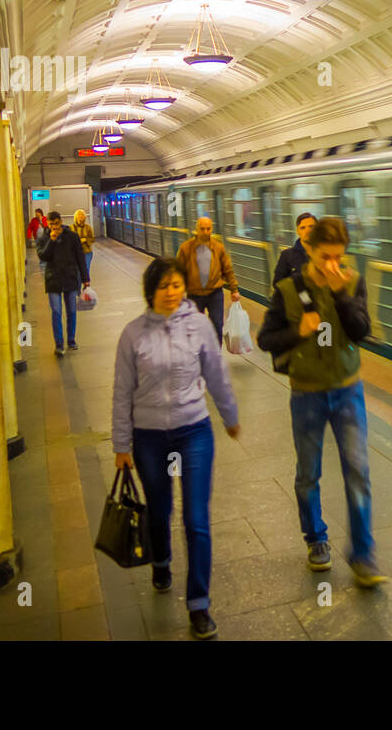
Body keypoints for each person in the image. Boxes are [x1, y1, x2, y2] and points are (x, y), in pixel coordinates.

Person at [112, 257, 241, 640]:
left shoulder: (199, 325)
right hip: (149, 436)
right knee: (160, 509)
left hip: (194, 431)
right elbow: (121, 393)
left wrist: (230, 415)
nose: (171, 293)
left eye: (177, 285)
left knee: (196, 519)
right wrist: (122, 444)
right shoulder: (132, 335)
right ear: (150, 291)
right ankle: (162, 561)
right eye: (164, 286)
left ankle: (199, 604)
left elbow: (216, 373)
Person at [256, 216, 385, 587]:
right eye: (325, 256)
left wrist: (343, 295)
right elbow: (266, 339)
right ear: (308, 250)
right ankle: (316, 539)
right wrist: (299, 330)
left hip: (347, 390)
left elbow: (361, 331)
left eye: (339, 257)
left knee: (358, 472)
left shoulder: (352, 282)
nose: (333, 265)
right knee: (308, 472)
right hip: (307, 392)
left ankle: (363, 555)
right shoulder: (288, 289)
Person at [175, 217, 240, 344]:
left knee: (217, 324)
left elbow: (227, 269)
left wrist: (234, 289)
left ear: (212, 229)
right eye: (202, 229)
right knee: (195, 327)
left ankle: (215, 355)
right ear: (197, 229)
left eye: (208, 229)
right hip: (194, 294)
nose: (205, 232)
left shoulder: (218, 248)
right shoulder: (186, 248)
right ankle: (197, 354)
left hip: (215, 293)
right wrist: (178, 292)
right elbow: (178, 271)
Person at [37, 211, 90, 357]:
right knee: (56, 312)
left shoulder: (71, 236)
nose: (53, 227)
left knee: (72, 311)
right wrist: (52, 241)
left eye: (55, 223)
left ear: (60, 221)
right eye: (50, 224)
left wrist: (85, 278)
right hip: (53, 280)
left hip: (70, 278)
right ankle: (59, 344)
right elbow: (43, 256)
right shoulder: (44, 238)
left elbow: (80, 257)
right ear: (47, 223)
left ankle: (71, 340)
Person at [273, 212, 316, 288]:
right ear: (298, 231)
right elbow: (277, 284)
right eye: (303, 228)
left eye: (311, 227)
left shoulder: (326, 254)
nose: (307, 231)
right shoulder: (286, 256)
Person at [73, 208, 95, 276]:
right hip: (76, 253)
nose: (81, 216)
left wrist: (85, 240)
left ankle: (86, 284)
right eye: (79, 215)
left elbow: (92, 238)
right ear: (76, 217)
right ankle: (78, 285)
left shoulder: (88, 227)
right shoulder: (72, 228)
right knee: (78, 271)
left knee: (86, 268)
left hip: (87, 252)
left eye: (82, 215)